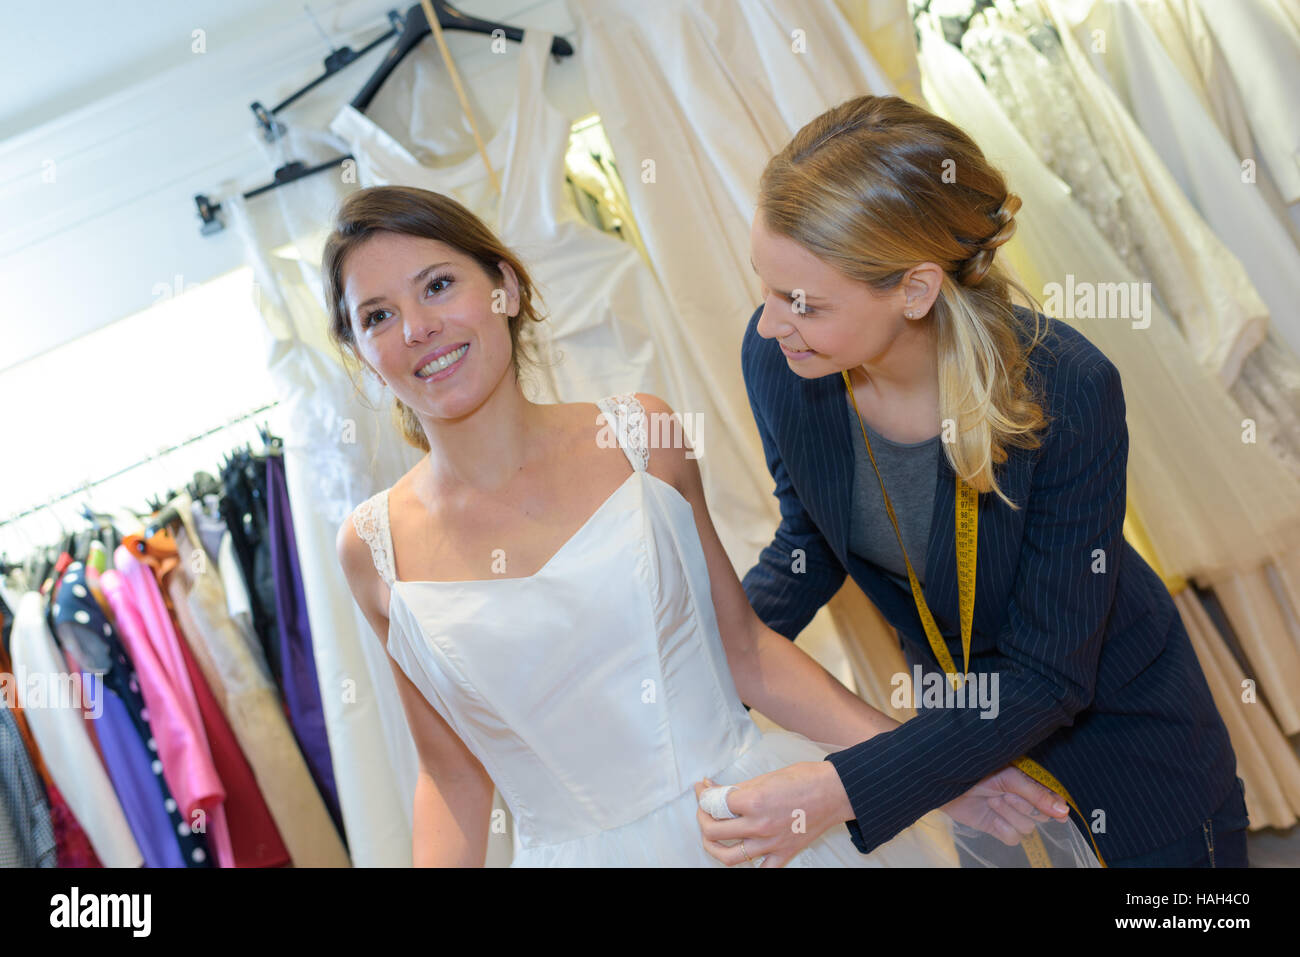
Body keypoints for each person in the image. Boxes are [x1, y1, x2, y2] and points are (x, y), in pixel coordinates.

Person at [328, 184, 1093, 867]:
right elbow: (452, 774)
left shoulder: (644, 440)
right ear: (360, 352)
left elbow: (747, 651)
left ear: (506, 287)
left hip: (756, 825)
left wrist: (925, 768)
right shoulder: (373, 549)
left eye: (437, 285)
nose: (418, 328)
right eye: (378, 316)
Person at [713, 94, 1246, 868]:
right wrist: (708, 664)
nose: (767, 323)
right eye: (763, 283)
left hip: (1120, 740)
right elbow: (811, 540)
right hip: (959, 753)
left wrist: (840, 787)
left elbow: (1048, 670)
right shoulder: (783, 362)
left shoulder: (1066, 388)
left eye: (802, 302)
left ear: (916, 289)